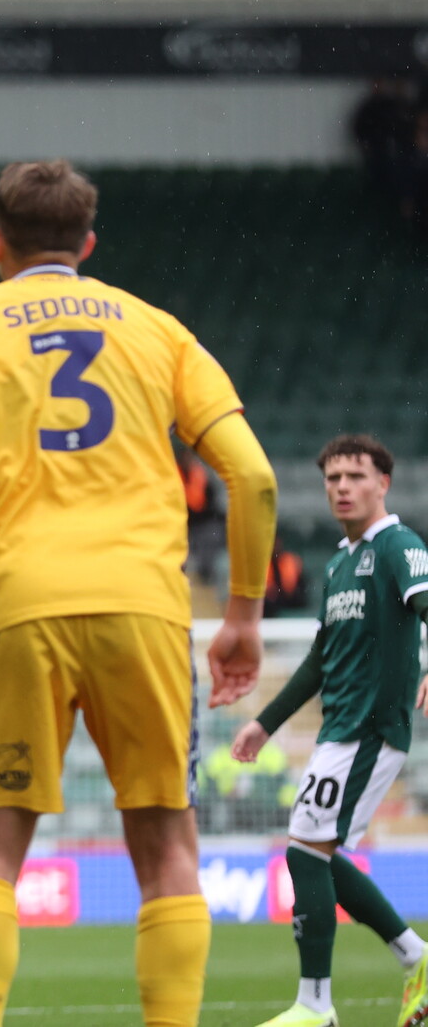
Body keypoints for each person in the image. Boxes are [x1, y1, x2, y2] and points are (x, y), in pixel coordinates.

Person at [0, 160, 278, 1027]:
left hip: (20, 599)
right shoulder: (157, 329)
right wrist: (245, 616)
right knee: (166, 842)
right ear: (89, 243)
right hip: (144, 602)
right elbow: (252, 477)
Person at [232, 435, 428, 1027]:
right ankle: (415, 957)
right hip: (340, 727)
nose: (341, 487)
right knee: (312, 851)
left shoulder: (397, 545)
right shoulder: (340, 563)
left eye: (354, 476)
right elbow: (321, 659)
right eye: (332, 478)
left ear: (382, 483)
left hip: (372, 726)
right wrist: (265, 724)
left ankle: (316, 1007)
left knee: (305, 849)